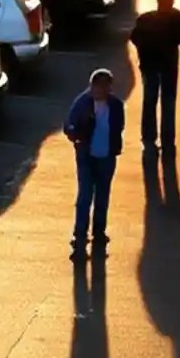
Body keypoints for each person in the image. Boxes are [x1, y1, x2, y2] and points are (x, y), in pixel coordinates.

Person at [63, 69, 125, 260]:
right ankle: (80, 236)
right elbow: (68, 125)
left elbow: (119, 126)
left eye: (105, 87)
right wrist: (76, 134)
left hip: (106, 157)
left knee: (103, 197)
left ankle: (99, 232)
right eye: (98, 87)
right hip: (86, 157)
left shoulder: (115, 105)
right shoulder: (83, 103)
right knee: (85, 197)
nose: (100, 91)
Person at [129, 0, 180, 154]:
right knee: (168, 103)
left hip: (149, 66)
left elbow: (134, 37)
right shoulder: (178, 18)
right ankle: (167, 140)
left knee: (149, 101)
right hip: (168, 67)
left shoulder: (145, 20)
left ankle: (148, 137)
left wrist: (144, 52)